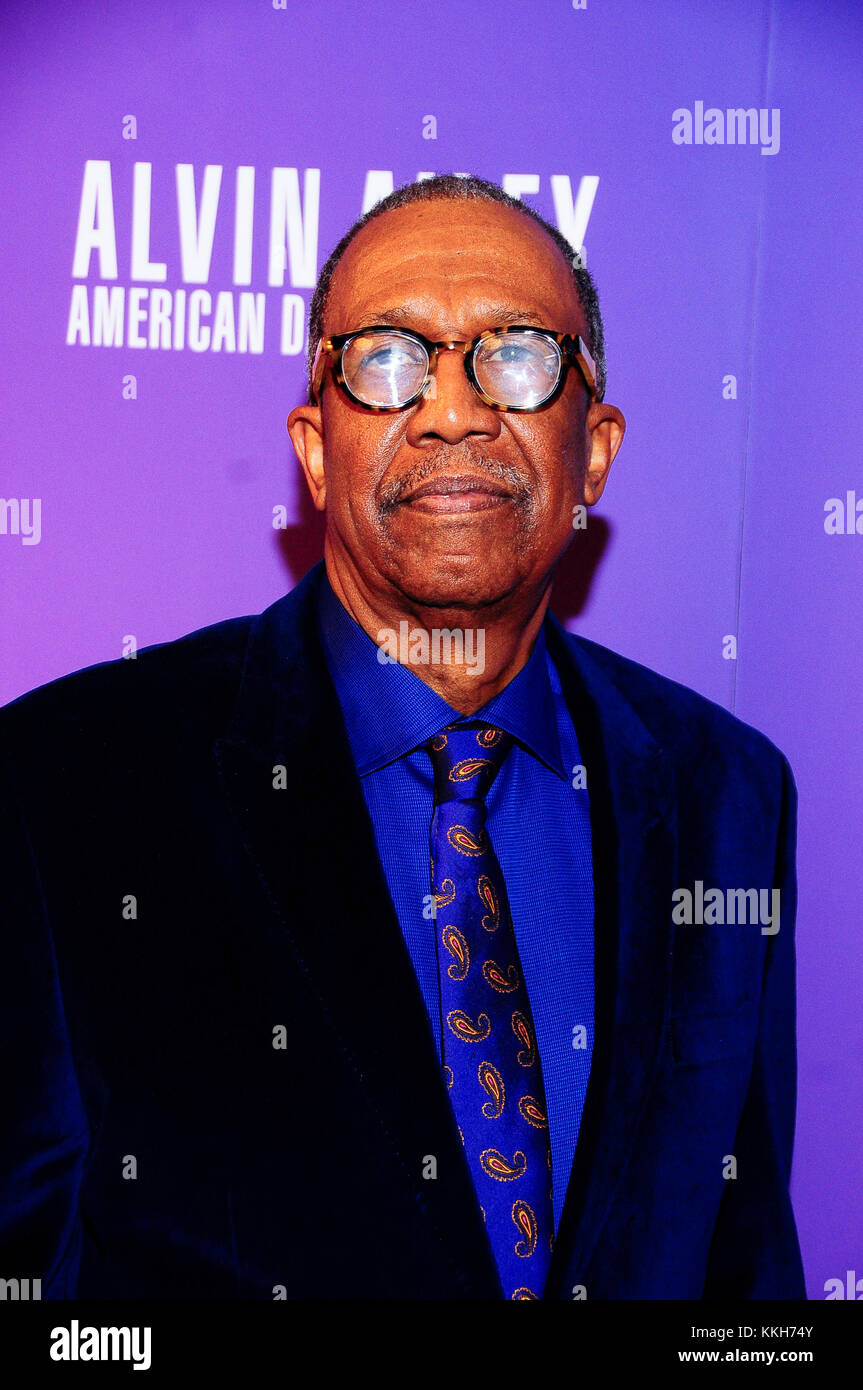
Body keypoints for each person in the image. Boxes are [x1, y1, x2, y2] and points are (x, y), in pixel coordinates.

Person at [0, 174, 805, 1300]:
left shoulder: (728, 792)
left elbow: (742, 1268)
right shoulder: (67, 781)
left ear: (596, 449)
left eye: (515, 353)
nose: (452, 410)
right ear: (315, 450)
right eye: (387, 358)